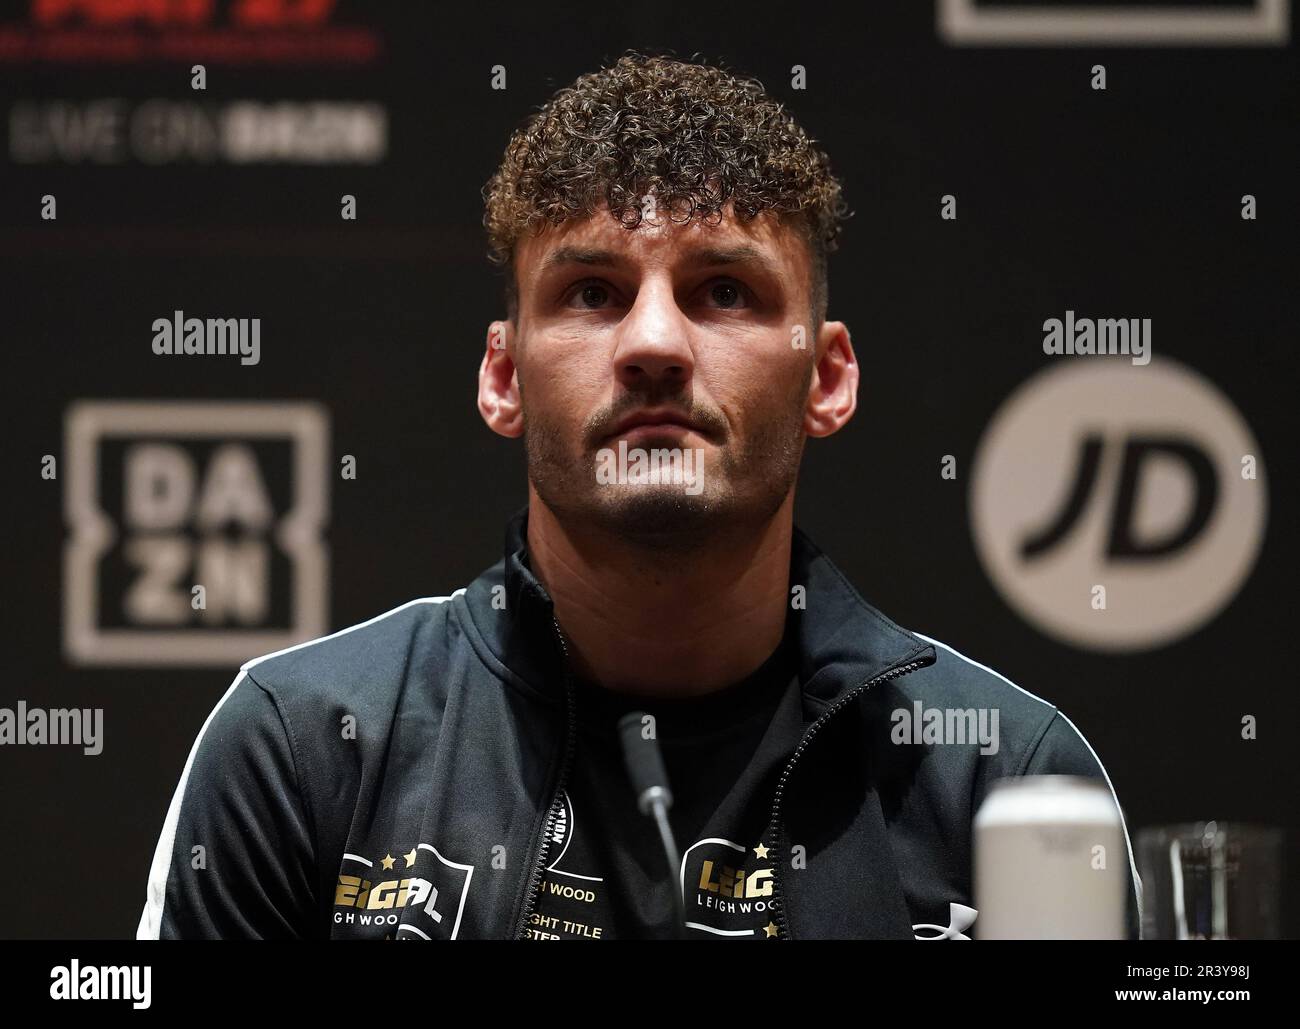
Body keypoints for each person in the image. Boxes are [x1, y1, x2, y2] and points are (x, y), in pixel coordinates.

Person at [137, 51, 1140, 940]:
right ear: (504, 378)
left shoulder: (1006, 781)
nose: (654, 345)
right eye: (591, 294)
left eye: (724, 292)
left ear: (826, 381)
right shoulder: (302, 744)